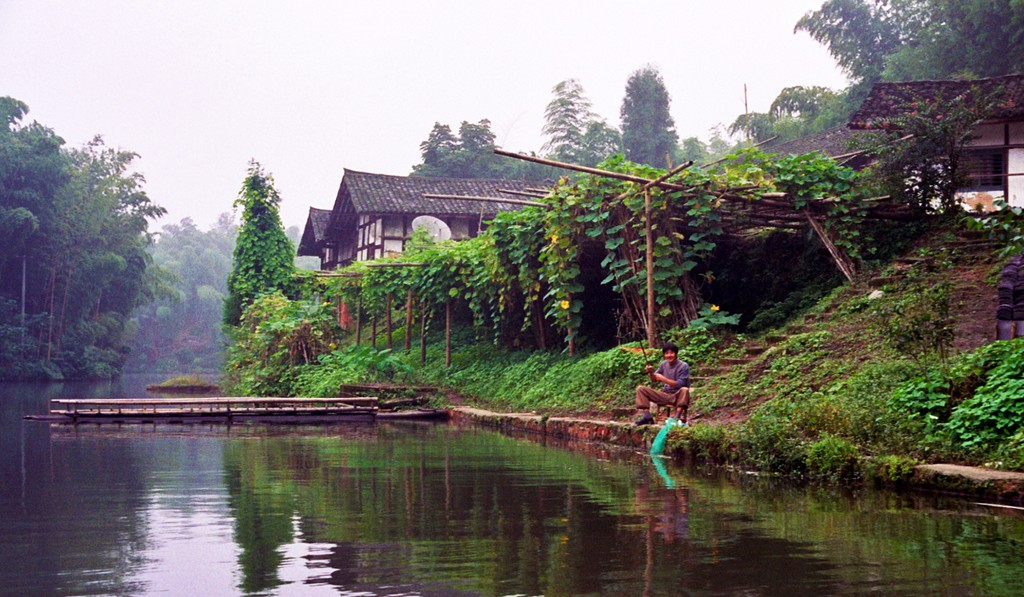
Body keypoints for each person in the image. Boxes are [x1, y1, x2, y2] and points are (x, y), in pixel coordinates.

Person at [634, 342, 690, 426]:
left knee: (685, 390)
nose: (669, 355)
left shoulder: (683, 366)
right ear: (664, 355)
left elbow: (680, 384)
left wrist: (663, 379)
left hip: (677, 396)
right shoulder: (663, 364)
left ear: (676, 354)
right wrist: (651, 372)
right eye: (666, 353)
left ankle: (677, 418)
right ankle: (647, 417)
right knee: (641, 389)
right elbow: (654, 379)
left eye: (671, 353)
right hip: (665, 394)